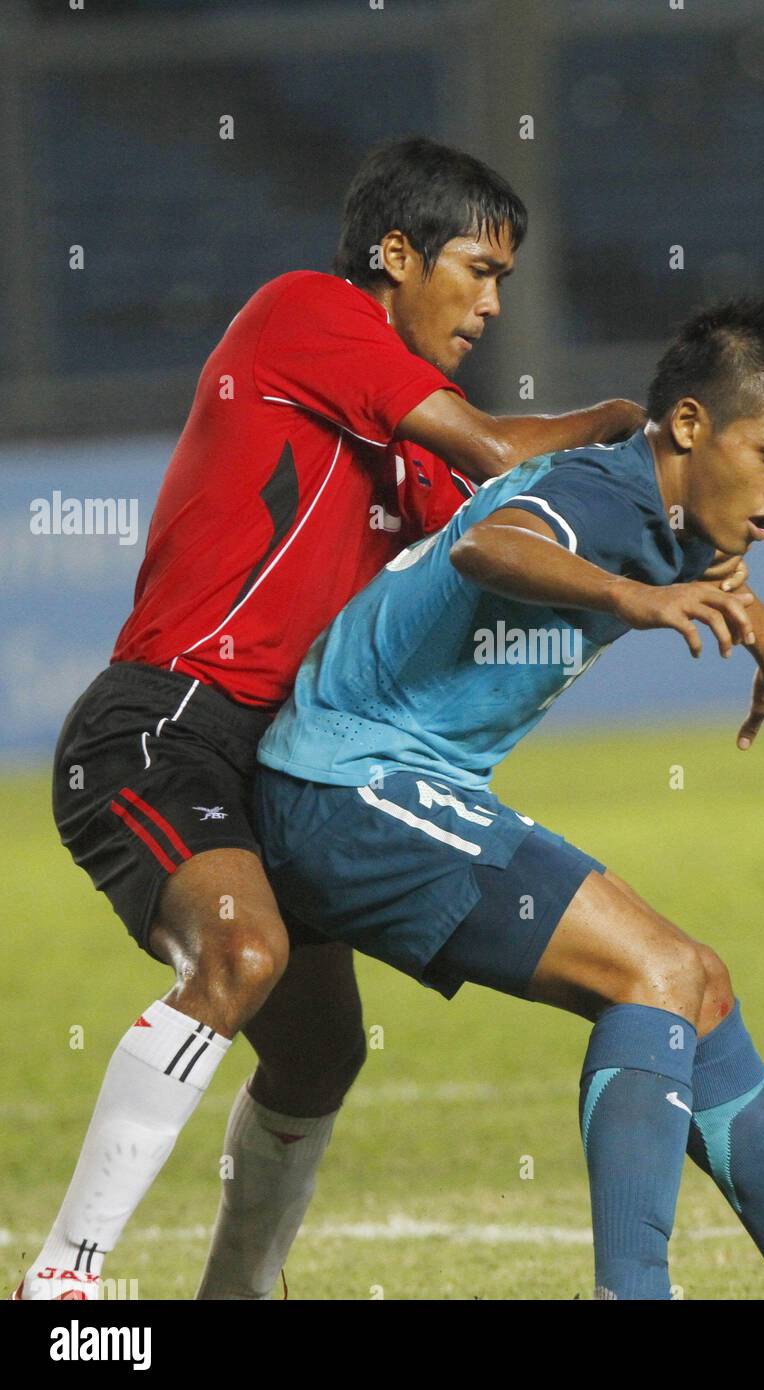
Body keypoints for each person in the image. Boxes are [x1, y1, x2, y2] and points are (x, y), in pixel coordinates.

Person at [16, 136, 650, 1301]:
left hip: (281, 765)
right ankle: (63, 1281)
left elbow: (501, 529)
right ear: (393, 255)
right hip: (161, 728)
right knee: (242, 954)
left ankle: (237, 1294)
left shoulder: (413, 465)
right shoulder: (302, 314)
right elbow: (504, 449)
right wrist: (625, 423)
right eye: (477, 267)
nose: (492, 302)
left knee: (318, 1054)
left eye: (506, 278)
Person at [251, 298, 764, 1299]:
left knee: (700, 987)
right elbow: (490, 543)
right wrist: (630, 600)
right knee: (655, 974)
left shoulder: (679, 504)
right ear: (689, 427)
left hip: (389, 786)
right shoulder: (601, 495)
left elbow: (712, 567)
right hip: (346, 786)